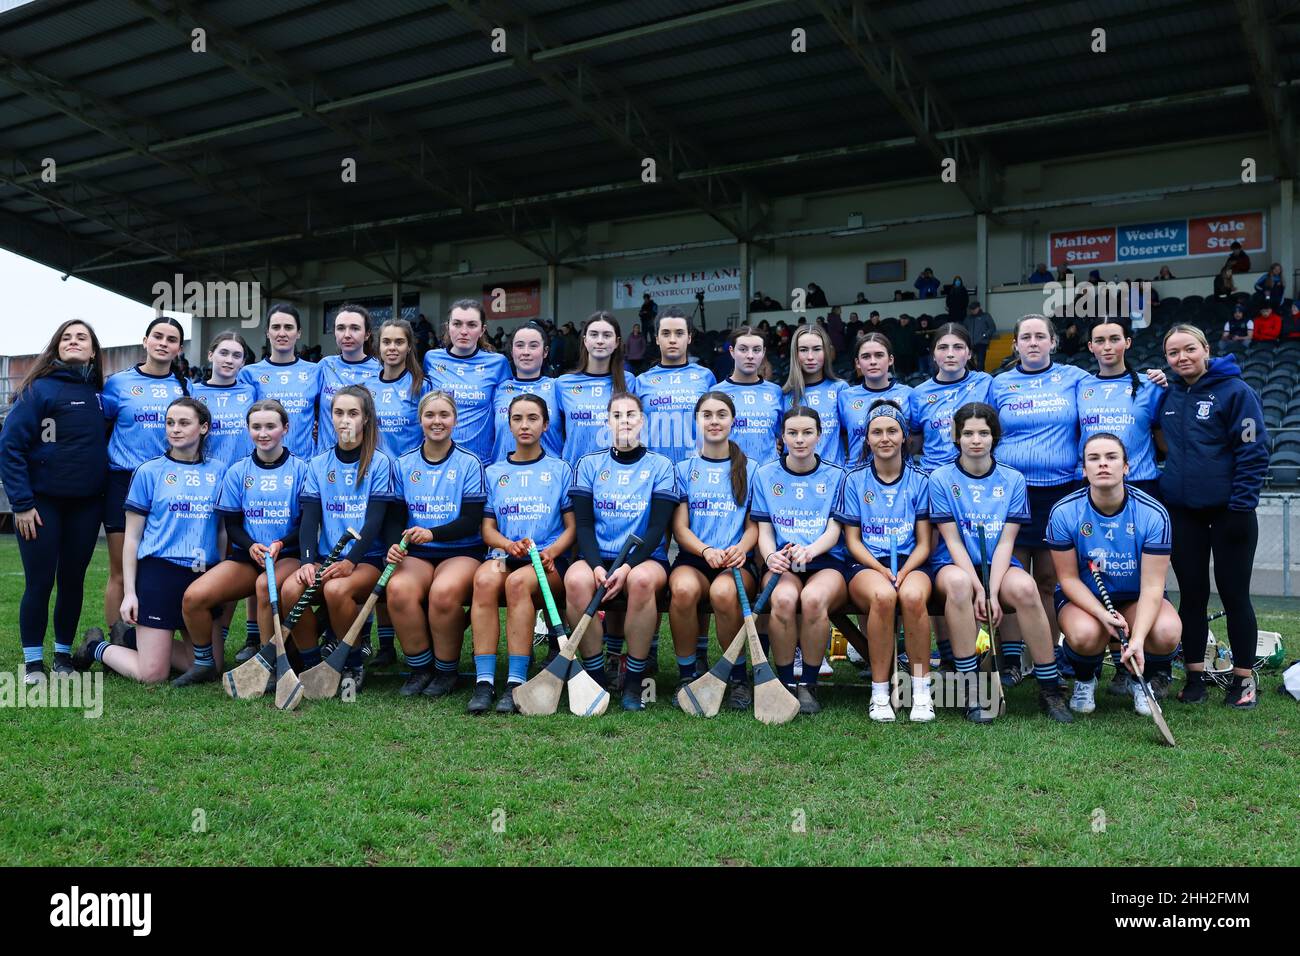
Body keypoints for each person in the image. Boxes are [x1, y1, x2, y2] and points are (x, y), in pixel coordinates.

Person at [927, 402, 1073, 723]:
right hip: (955, 565)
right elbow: (952, 542)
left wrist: (992, 591)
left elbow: (1008, 541)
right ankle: (970, 688)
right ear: (957, 437)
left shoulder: (1013, 479)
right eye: (968, 433)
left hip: (998, 565)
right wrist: (980, 590)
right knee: (960, 585)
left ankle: (1049, 687)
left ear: (995, 436)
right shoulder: (940, 478)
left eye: (983, 433)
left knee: (1025, 588)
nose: (975, 440)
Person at [72, 398, 224, 683]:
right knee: (153, 674)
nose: (175, 429)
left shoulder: (220, 471)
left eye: (184, 423)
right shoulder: (149, 471)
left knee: (211, 666)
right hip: (159, 574)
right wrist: (130, 593)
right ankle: (96, 646)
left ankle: (130, 639)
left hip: (204, 576)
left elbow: (222, 532)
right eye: (170, 423)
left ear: (203, 428)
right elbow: (132, 538)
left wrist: (224, 575)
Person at [1159, 325, 1269, 708]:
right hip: (1183, 514)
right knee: (1192, 596)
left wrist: (1241, 505)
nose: (1182, 357)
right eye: (1173, 353)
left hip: (1230, 513)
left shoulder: (1236, 392)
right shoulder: (1168, 393)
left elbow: (1254, 451)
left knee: (1235, 594)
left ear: (1206, 349)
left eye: (1189, 349)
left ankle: (1242, 678)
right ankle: (1194, 675)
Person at [173, 399, 309, 686]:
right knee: (193, 597)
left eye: (270, 426)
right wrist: (249, 546)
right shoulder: (238, 471)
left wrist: (281, 544)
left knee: (264, 587)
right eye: (256, 426)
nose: (263, 433)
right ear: (247, 430)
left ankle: (269, 663)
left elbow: (308, 524)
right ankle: (204, 663)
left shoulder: (301, 470)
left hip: (289, 555)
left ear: (285, 428)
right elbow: (232, 524)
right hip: (250, 555)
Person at [0, 320, 106, 684]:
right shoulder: (39, 390)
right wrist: (22, 503)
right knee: (40, 582)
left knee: (73, 581)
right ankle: (33, 664)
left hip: (86, 506)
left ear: (93, 351)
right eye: (67, 337)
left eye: (82, 337)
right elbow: (9, 446)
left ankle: (62, 658)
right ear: (56, 348)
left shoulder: (97, 392)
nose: (74, 341)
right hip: (40, 507)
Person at [988, 315, 1090, 685]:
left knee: (1047, 579)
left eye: (1040, 337)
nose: (1033, 342)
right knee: (1011, 576)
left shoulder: (1075, 379)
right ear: (1015, 345)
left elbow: (1118, 386)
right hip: (1011, 492)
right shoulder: (998, 384)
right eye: (1025, 337)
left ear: (1052, 342)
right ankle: (1012, 661)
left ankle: (1048, 657)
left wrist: (1155, 377)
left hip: (1059, 492)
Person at [1049, 433, 1181, 717]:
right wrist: (1101, 614)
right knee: (1086, 634)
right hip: (1086, 598)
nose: (1103, 464)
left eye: (1111, 457)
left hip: (1136, 596)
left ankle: (1138, 680)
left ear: (1126, 467)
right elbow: (1068, 579)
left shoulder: (1153, 514)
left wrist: (1137, 640)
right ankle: (1085, 678)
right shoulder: (1064, 512)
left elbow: (1152, 586)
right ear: (1084, 469)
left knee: (1167, 631)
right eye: (1094, 459)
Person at [565, 392, 677, 711]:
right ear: (607, 422)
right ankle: (597, 677)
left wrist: (626, 567)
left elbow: (656, 529)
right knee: (575, 582)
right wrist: (598, 566)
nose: (624, 421)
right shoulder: (589, 464)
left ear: (642, 421)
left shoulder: (661, 465)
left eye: (630, 415)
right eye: (616, 415)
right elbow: (584, 526)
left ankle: (634, 681)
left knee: (641, 583)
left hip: (644, 560)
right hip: (597, 557)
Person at [280, 386, 396, 692]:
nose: (344, 420)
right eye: (338, 413)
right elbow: (311, 519)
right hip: (326, 557)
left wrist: (351, 561)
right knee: (292, 588)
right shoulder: (319, 464)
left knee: (336, 590)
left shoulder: (380, 463)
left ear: (367, 419)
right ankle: (312, 663)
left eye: (353, 413)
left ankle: (353, 662)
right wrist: (306, 561)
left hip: (366, 560)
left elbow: (374, 521)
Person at [469, 394, 575, 713]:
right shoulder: (495, 471)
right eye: (517, 418)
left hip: (548, 563)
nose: (524, 425)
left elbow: (572, 527)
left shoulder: (559, 469)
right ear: (509, 423)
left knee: (516, 585)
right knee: (485, 579)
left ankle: (516, 682)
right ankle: (484, 682)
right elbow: (487, 529)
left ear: (545, 425)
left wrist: (551, 551)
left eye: (532, 418)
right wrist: (505, 544)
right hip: (505, 556)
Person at [383, 391, 487, 701]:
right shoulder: (403, 463)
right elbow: (395, 516)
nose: (437, 421)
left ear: (454, 420)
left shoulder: (469, 463)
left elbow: (471, 520)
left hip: (461, 550)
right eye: (430, 415)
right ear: (420, 420)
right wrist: (393, 544)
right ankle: (420, 667)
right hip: (418, 553)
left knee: (443, 593)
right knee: (398, 589)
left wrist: (432, 534)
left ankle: (446, 670)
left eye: (444, 415)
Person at [838, 400, 933, 722]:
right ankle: (879, 692)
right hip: (868, 563)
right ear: (867, 438)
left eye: (892, 430)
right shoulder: (854, 480)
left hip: (910, 561)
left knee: (913, 596)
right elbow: (852, 540)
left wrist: (905, 570)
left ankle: (921, 690)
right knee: (882, 596)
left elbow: (924, 542)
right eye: (877, 432)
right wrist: (880, 569)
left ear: (905, 436)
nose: (885, 438)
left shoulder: (920, 480)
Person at [751, 406, 849, 715]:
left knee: (813, 599)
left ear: (819, 435)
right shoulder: (766, 474)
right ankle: (783, 683)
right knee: (783, 599)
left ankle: (808, 684)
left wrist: (812, 550)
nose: (800, 439)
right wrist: (770, 555)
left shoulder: (836, 475)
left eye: (807, 432)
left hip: (825, 561)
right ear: (782, 437)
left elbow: (835, 529)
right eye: (792, 433)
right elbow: (764, 530)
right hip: (782, 564)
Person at [99, 317, 189, 643]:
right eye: (158, 336)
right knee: (121, 571)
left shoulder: (183, 387)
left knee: (160, 566)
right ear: (145, 341)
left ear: (179, 348)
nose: (163, 343)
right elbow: (102, 428)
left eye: (171, 339)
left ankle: (161, 636)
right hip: (122, 483)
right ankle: (117, 640)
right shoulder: (118, 384)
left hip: (166, 485)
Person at [668, 392, 758, 709]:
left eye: (721, 414)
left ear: (733, 421)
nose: (714, 421)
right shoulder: (683, 468)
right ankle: (688, 672)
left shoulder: (751, 469)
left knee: (723, 593)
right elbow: (680, 528)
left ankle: (736, 677)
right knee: (682, 589)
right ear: (697, 421)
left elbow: (754, 526)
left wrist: (740, 549)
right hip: (695, 557)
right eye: (707, 415)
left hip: (737, 561)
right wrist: (705, 550)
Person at [1079, 318, 1165, 499]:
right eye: (1100, 341)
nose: (1107, 346)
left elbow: (1163, 442)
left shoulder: (1150, 385)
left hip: (1141, 481)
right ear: (1090, 346)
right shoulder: (1079, 386)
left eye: (1114, 339)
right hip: (1091, 483)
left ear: (1127, 342)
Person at [422, 299, 511, 463]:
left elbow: (503, 413)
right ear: (448, 326)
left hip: (481, 463)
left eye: (471, 325)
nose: (463, 331)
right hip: (439, 461)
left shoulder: (498, 363)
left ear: (482, 330)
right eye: (457, 324)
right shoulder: (432, 359)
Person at [907, 322, 993, 473]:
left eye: (958, 347)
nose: (950, 354)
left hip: (978, 474)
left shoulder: (986, 383)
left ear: (969, 353)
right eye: (942, 347)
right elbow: (915, 441)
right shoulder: (919, 394)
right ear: (933, 354)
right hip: (934, 476)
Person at [638, 306, 717, 465]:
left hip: (697, 469)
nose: (672, 340)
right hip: (654, 471)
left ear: (689, 337)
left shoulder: (706, 377)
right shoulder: (641, 381)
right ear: (656, 338)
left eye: (679, 333)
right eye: (666, 333)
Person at [240, 305, 317, 463]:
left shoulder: (315, 371)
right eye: (276, 327)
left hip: (305, 465)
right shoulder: (249, 374)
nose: (282, 333)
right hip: (262, 465)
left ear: (299, 333)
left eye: (288, 327)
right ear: (268, 333)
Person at [489, 322, 563, 463]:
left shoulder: (557, 387)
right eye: (520, 345)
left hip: (549, 478)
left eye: (533, 346)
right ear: (512, 351)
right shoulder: (497, 390)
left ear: (545, 352)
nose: (526, 352)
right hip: (503, 479)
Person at [838, 332, 914, 464]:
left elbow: (917, 437)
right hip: (858, 475)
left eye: (879, 355)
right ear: (857, 363)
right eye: (866, 356)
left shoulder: (909, 394)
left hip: (902, 475)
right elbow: (842, 437)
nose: (873, 361)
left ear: (890, 360)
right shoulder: (845, 397)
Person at [317, 305, 381, 454]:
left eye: (354, 328)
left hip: (366, 459)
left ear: (367, 334)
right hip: (327, 461)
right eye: (340, 328)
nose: (347, 334)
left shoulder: (380, 370)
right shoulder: (324, 366)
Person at [715, 325, 782, 466]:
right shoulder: (716, 393)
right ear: (732, 351)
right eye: (743, 349)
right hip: (730, 474)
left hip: (769, 477)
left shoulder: (775, 392)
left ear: (763, 352)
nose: (750, 355)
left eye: (756, 350)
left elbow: (782, 434)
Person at [782, 324, 848, 465]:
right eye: (804, 350)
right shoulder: (784, 394)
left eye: (817, 349)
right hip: (793, 478)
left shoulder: (840, 389)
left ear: (826, 352)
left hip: (833, 478)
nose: (810, 357)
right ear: (795, 353)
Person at [191, 332, 256, 470]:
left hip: (244, 475)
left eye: (236, 355)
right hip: (205, 475)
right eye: (224, 353)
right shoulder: (193, 392)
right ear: (210, 355)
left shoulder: (251, 391)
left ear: (243, 362)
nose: (229, 360)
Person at [372, 318, 431, 461]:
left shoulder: (422, 386)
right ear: (379, 346)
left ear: (409, 346)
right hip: (376, 473)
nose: (392, 347)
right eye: (386, 342)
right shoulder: (366, 387)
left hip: (410, 472)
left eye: (399, 342)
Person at [967, 301, 996, 371]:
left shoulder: (986, 316)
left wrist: (984, 335)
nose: (973, 310)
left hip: (982, 343)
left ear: (978, 308)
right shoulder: (968, 318)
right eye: (971, 309)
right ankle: (974, 375)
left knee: (980, 362)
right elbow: (964, 329)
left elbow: (992, 328)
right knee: (970, 362)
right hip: (971, 344)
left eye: (974, 308)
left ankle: (981, 376)